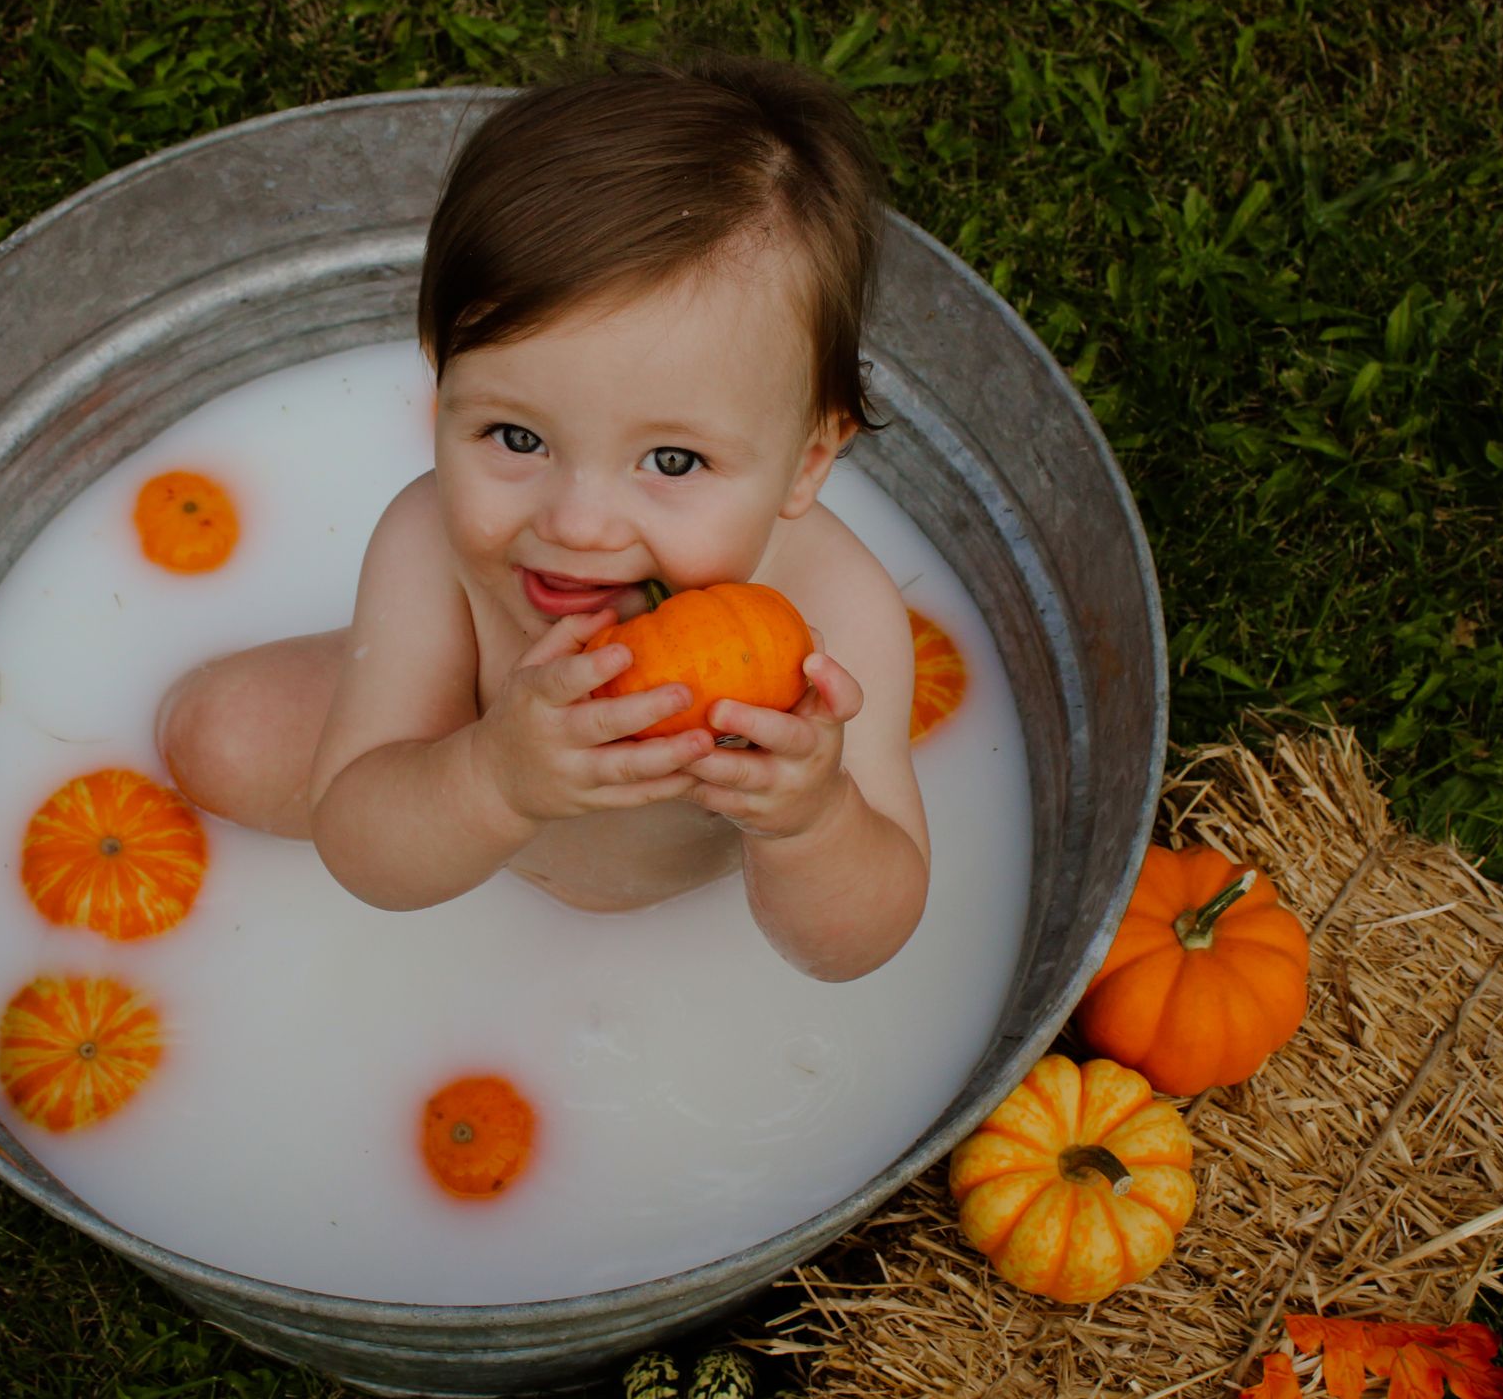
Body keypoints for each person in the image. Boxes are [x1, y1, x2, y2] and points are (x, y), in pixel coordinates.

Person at [157, 52, 928, 980]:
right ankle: (413, 694)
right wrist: (490, 777)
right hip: (452, 795)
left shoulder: (834, 620)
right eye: (517, 436)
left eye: (672, 461)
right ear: (440, 380)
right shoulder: (430, 541)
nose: (577, 523)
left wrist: (812, 818)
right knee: (213, 735)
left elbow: (856, 947)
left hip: (683, 896)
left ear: (806, 463)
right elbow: (364, 857)